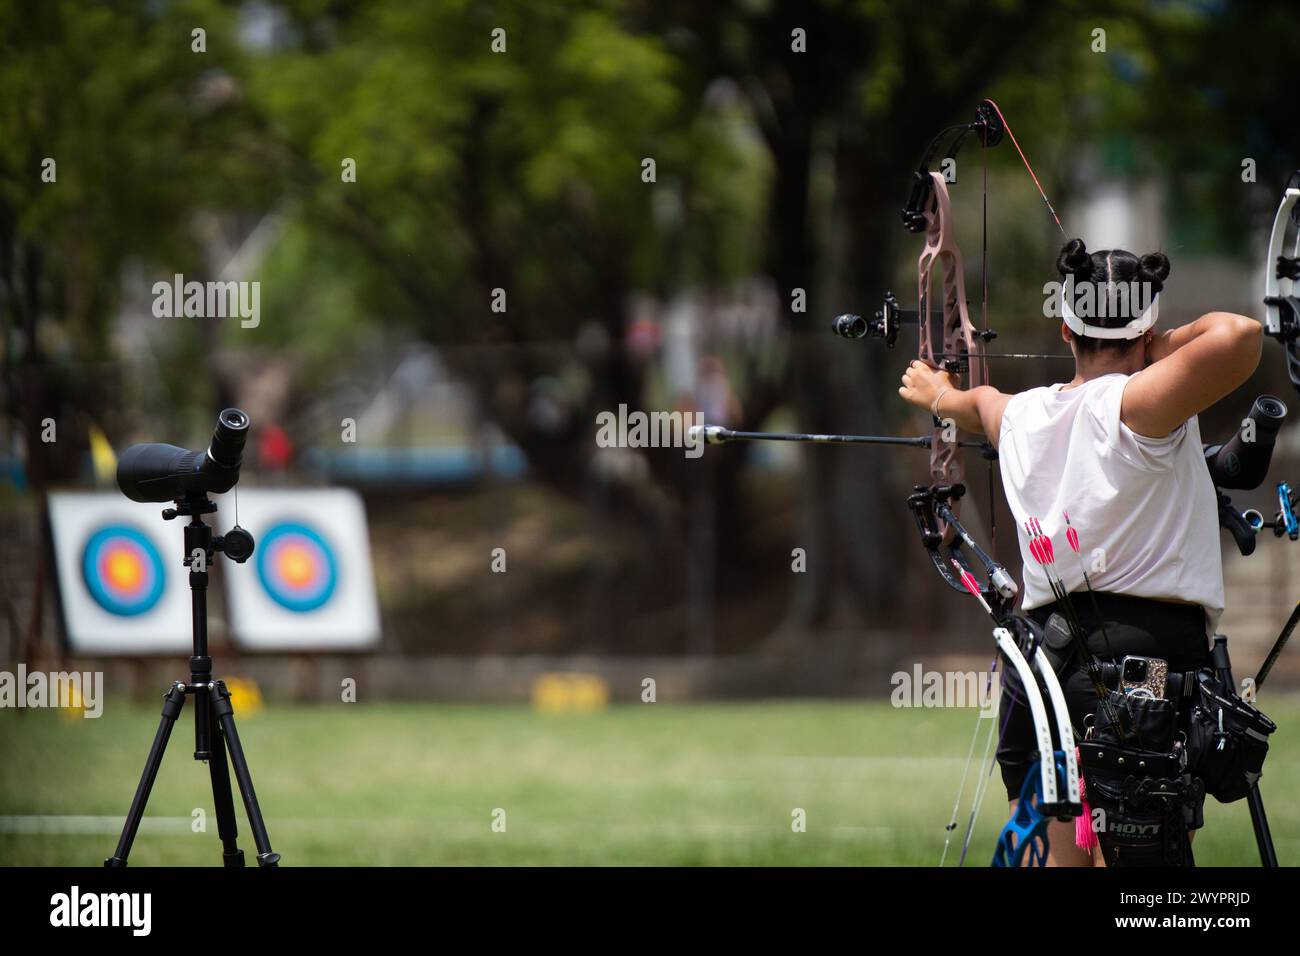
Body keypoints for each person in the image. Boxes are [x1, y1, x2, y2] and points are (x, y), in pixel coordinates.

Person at [898, 238, 1263, 865]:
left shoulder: (1018, 414)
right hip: (1148, 667)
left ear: (1065, 328)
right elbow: (1241, 334)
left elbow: (970, 404)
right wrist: (1156, 343)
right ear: (1146, 333)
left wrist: (935, 392)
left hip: (1043, 673)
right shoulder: (1142, 404)